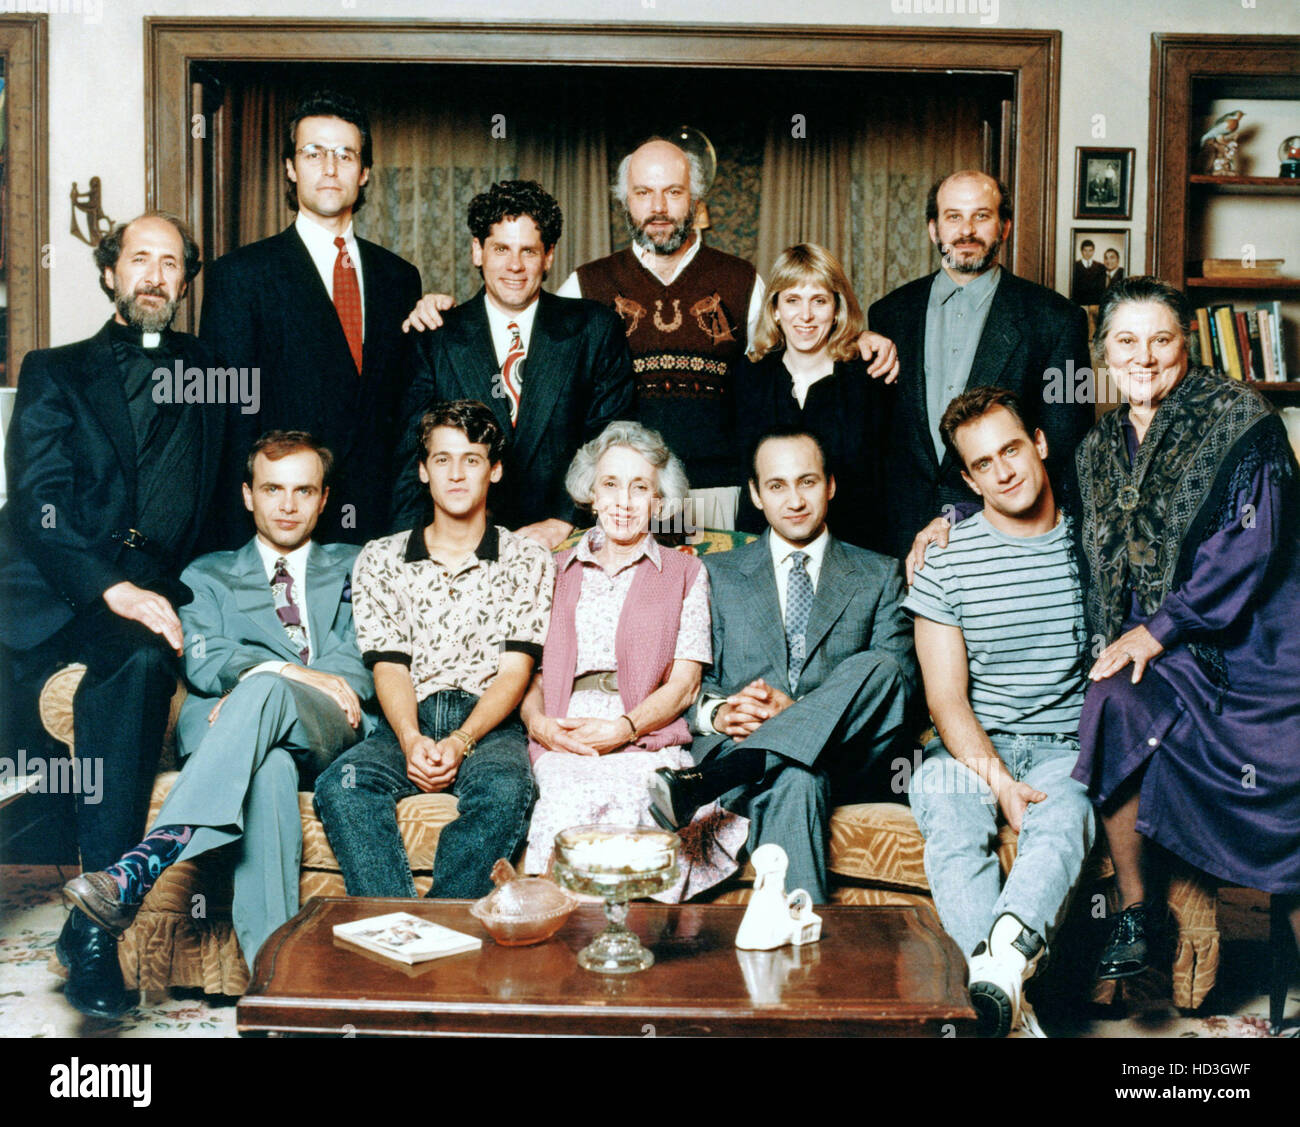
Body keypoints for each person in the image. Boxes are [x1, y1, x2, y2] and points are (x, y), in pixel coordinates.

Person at [405, 139, 899, 529]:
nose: (659, 207)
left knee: (706, 621)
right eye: (643, 193)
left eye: (673, 192)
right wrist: (439, 306)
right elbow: (516, 312)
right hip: (626, 497)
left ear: (695, 198)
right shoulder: (587, 284)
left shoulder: (742, 280)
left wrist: (858, 340)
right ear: (626, 202)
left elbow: (792, 345)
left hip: (717, 494)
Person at [59, 432, 373, 1016]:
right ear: (247, 495)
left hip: (329, 724)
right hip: (235, 725)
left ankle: (140, 868)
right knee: (269, 767)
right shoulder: (207, 573)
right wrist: (282, 670)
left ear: (325, 498)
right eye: (272, 489)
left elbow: (362, 658)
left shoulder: (357, 564)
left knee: (264, 694)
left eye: (303, 490)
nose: (287, 504)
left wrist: (278, 684)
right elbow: (203, 657)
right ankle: (276, 988)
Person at [0, 211, 223, 1020]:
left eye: (171, 263)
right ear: (109, 274)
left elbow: (247, 479)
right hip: (57, 584)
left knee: (136, 669)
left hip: (155, 590)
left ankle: (92, 925)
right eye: (140, 260)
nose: (155, 275)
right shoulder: (55, 369)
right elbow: (39, 502)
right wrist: (112, 587)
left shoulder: (209, 370)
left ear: (186, 283)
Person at [1069, 276, 1300, 981]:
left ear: (1186, 345)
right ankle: (1138, 913)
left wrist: (1159, 628)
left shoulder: (1242, 417)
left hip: (1251, 648)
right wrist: (950, 519)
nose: (1144, 356)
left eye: (1161, 340)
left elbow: (1250, 549)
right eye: (1126, 341)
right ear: (1103, 352)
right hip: (1160, 651)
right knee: (1109, 701)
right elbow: (1033, 507)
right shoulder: (1097, 446)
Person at [648, 426, 918, 903]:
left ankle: (713, 782)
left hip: (850, 758)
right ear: (755, 494)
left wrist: (792, 713)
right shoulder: (718, 573)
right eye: (777, 485)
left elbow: (900, 688)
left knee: (880, 665)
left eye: (807, 482)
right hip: (745, 748)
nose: (794, 499)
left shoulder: (880, 573)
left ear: (830, 485)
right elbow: (689, 685)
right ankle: (800, 970)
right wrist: (719, 713)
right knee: (797, 777)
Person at [904, 386, 1095, 1038]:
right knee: (941, 794)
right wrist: (995, 779)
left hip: (1063, 743)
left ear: (1039, 444)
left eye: (1012, 449)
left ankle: (999, 971)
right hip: (973, 742)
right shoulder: (944, 558)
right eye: (983, 464)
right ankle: (1008, 1009)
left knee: (1067, 806)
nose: (1004, 470)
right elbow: (946, 699)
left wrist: (1029, 785)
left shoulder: (1092, 545)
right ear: (967, 477)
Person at [314, 400, 554, 900]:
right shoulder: (381, 557)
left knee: (508, 789)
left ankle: (449, 930)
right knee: (343, 784)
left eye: (472, 459)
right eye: (442, 459)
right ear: (423, 471)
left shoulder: (526, 558)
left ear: (496, 468)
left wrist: (462, 740)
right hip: (407, 718)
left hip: (489, 726)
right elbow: (390, 665)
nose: (458, 474)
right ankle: (394, 926)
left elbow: (516, 670)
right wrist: (410, 740)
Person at [519, 421, 748, 899]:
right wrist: (541, 727)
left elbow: (685, 685)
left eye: (639, 487)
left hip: (645, 734)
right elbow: (528, 675)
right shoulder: (553, 569)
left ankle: (636, 952)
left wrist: (623, 729)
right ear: (591, 494)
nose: (623, 501)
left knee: (647, 798)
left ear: (659, 501)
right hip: (566, 733)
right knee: (565, 796)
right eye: (610, 484)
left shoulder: (686, 571)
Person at [199, 89, 423, 548]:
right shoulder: (240, 276)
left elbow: (403, 408)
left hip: (380, 523)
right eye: (313, 152)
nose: (329, 166)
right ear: (290, 167)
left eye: (345, 154)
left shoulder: (400, 278)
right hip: (282, 524)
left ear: (364, 173)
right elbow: (228, 418)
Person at [390, 180, 633, 550]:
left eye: (529, 251)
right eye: (501, 248)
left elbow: (611, 443)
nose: (515, 266)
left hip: (566, 544)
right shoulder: (434, 335)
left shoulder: (594, 329)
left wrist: (565, 520)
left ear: (548, 256)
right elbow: (411, 459)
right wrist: (406, 552)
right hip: (461, 549)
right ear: (477, 251)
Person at [868, 170, 1092, 558]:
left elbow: (1070, 444)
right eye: (953, 217)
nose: (966, 230)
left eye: (981, 216)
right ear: (933, 229)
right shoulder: (888, 315)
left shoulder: (1059, 319)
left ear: (1004, 228)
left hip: (1007, 535)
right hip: (895, 534)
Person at [733, 243, 894, 554]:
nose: (805, 316)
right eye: (793, 300)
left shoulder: (870, 378)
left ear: (836, 309)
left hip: (855, 553)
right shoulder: (747, 378)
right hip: (763, 552)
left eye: (819, 301)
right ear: (775, 309)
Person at [1071, 240, 1107, 307]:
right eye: (1085, 250)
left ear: (1093, 251)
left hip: (1095, 304)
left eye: (1090, 250)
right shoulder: (1074, 266)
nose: (1088, 253)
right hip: (1078, 303)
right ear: (1081, 251)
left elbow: (1102, 289)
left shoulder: (1101, 267)